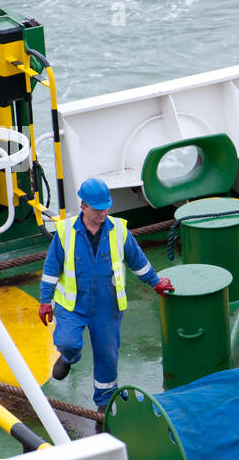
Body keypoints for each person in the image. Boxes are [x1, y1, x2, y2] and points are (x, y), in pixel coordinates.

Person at [37, 178, 173, 419]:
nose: (103, 214)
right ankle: (69, 357)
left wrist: (156, 282)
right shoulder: (65, 232)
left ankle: (104, 402)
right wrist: (45, 300)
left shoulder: (119, 230)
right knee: (68, 341)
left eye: (105, 209)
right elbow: (51, 269)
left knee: (107, 356)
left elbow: (137, 261)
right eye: (98, 210)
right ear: (83, 207)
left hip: (107, 307)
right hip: (73, 306)